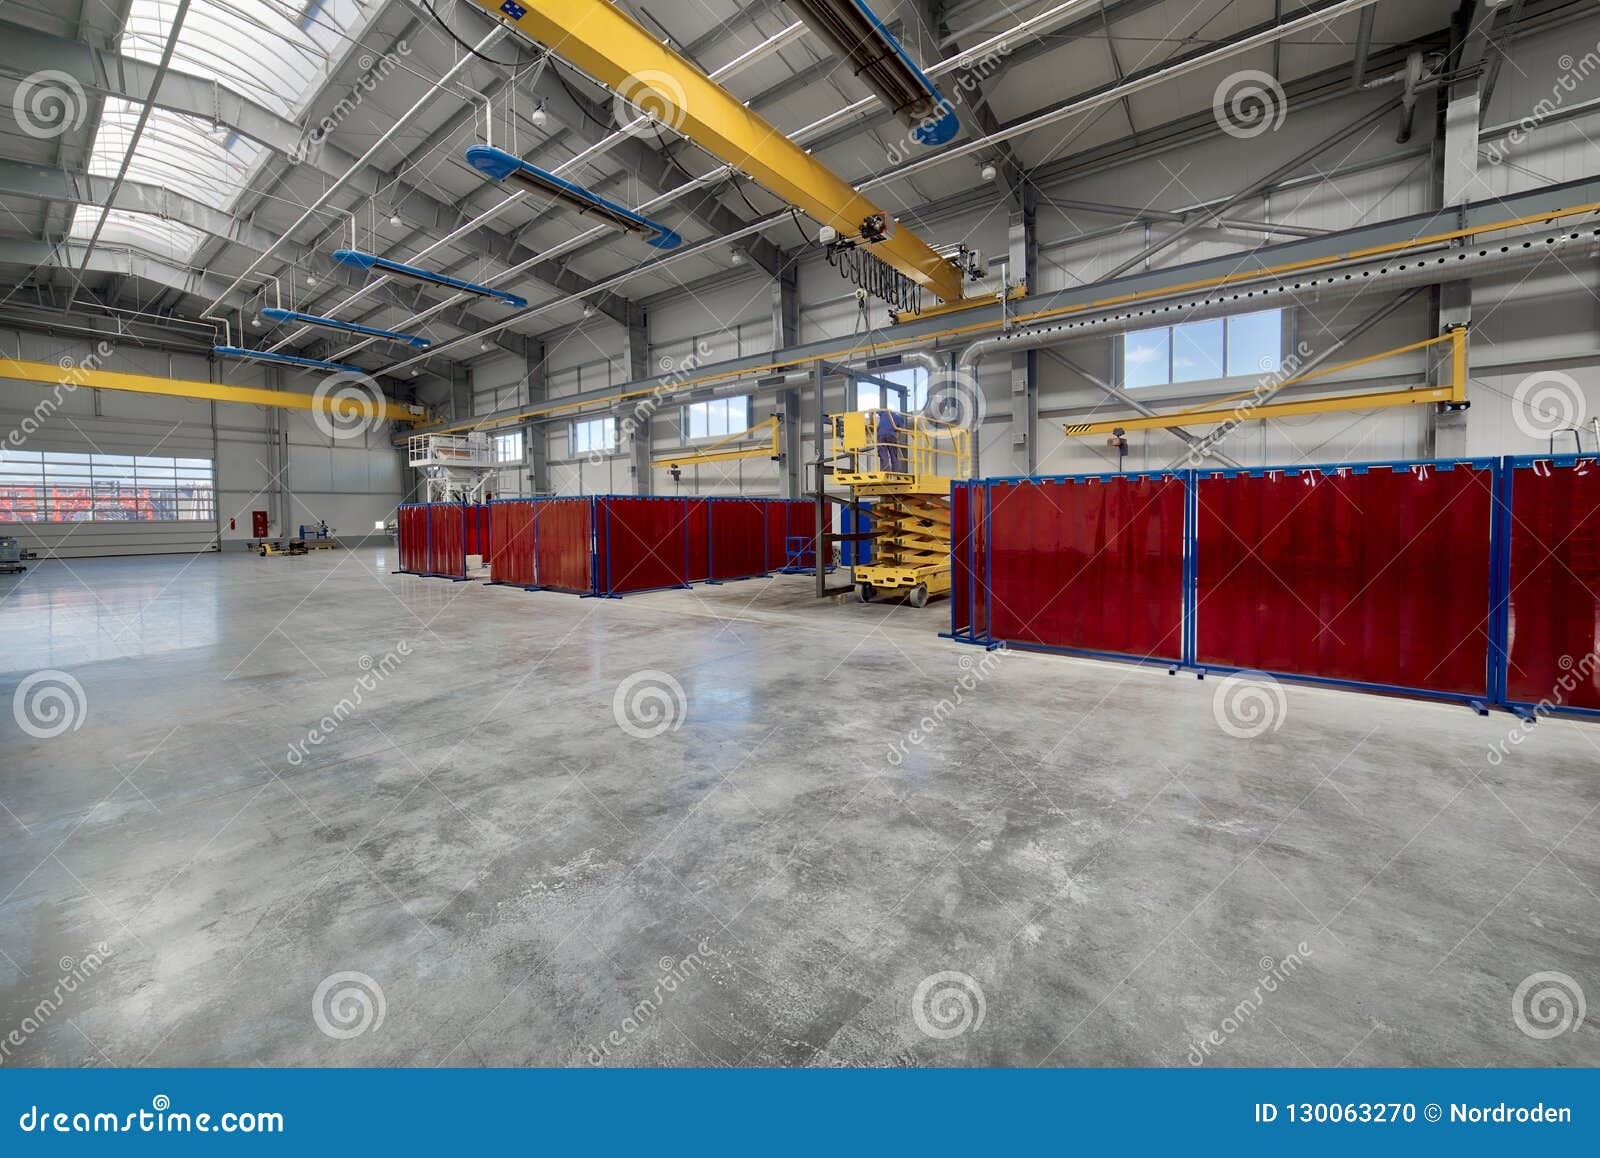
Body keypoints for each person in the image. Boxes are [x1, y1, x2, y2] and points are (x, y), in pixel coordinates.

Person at [876, 408, 906, 473]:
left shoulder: (884, 413)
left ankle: (885, 470)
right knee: (894, 455)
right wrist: (896, 441)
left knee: (883, 454)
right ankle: (896, 471)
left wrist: (872, 422)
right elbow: (898, 432)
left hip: (881, 435)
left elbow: (873, 411)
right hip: (891, 435)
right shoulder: (899, 418)